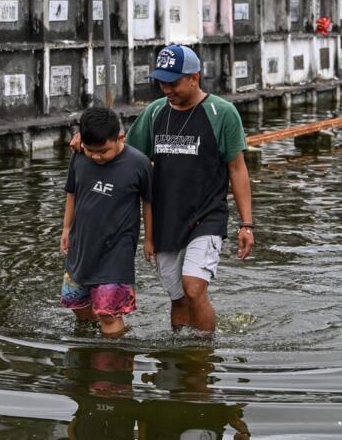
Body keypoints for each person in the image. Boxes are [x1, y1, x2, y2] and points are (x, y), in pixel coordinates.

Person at [71, 45, 254, 334]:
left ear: (194, 78)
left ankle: (203, 356)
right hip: (166, 216)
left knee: (193, 289)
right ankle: (179, 354)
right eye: (162, 82)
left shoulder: (223, 113)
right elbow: (122, 154)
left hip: (207, 214)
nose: (166, 88)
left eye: (174, 82)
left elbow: (237, 168)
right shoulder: (155, 113)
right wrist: (87, 138)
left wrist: (246, 223)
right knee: (178, 297)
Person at [60, 106, 154, 337]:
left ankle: (114, 362)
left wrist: (149, 239)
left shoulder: (138, 163)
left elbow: (149, 202)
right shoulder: (79, 155)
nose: (96, 156)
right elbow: (72, 192)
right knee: (77, 303)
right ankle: (92, 347)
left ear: (119, 138)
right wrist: (65, 228)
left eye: (103, 151)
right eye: (91, 150)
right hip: (82, 242)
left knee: (108, 313)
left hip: (117, 249)